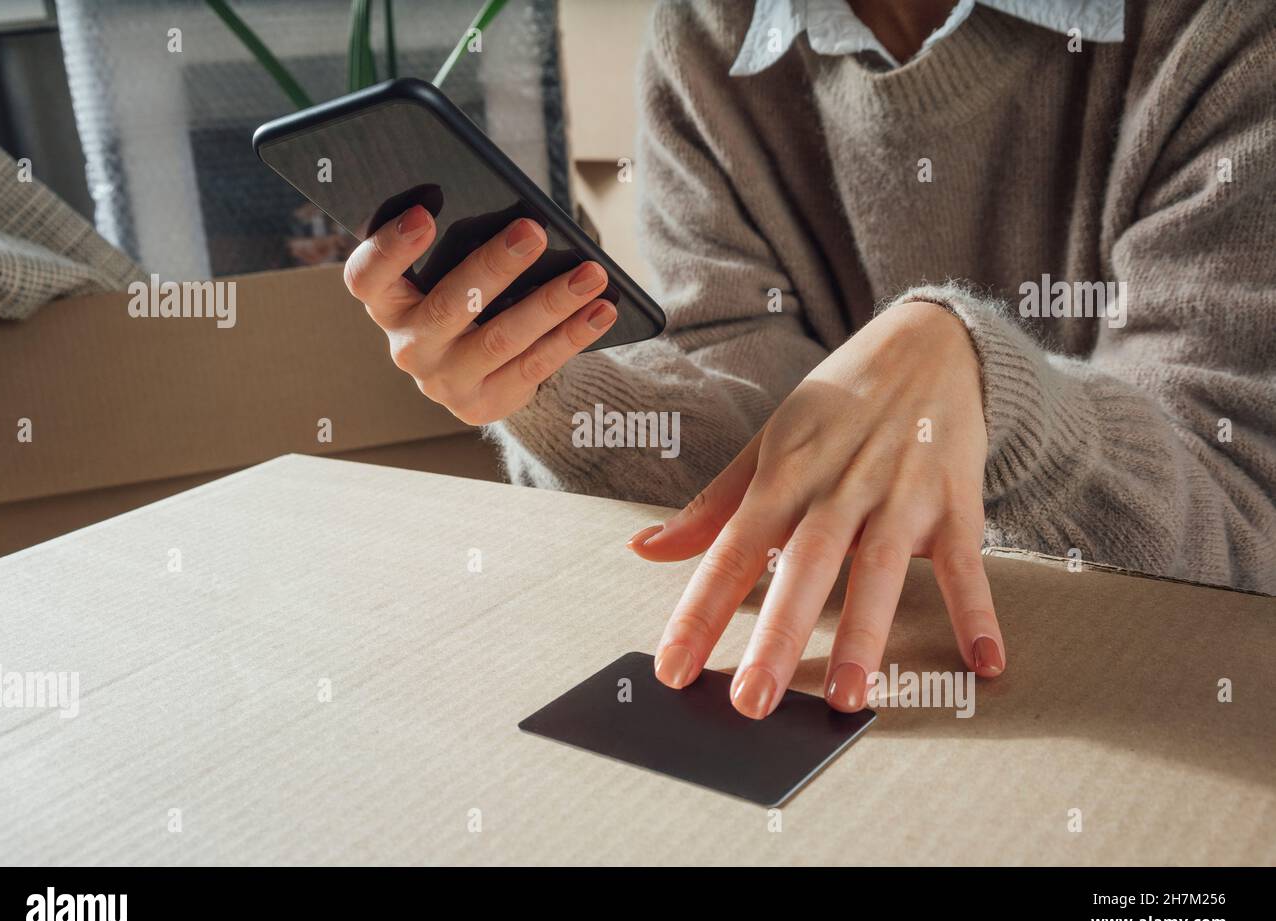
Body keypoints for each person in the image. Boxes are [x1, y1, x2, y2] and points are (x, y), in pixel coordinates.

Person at [342, 0, 1276, 719]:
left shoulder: (1223, 30)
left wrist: (988, 387)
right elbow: (754, 437)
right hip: (869, 702)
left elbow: (1239, 524)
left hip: (1145, 720)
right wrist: (554, 380)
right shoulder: (710, 33)